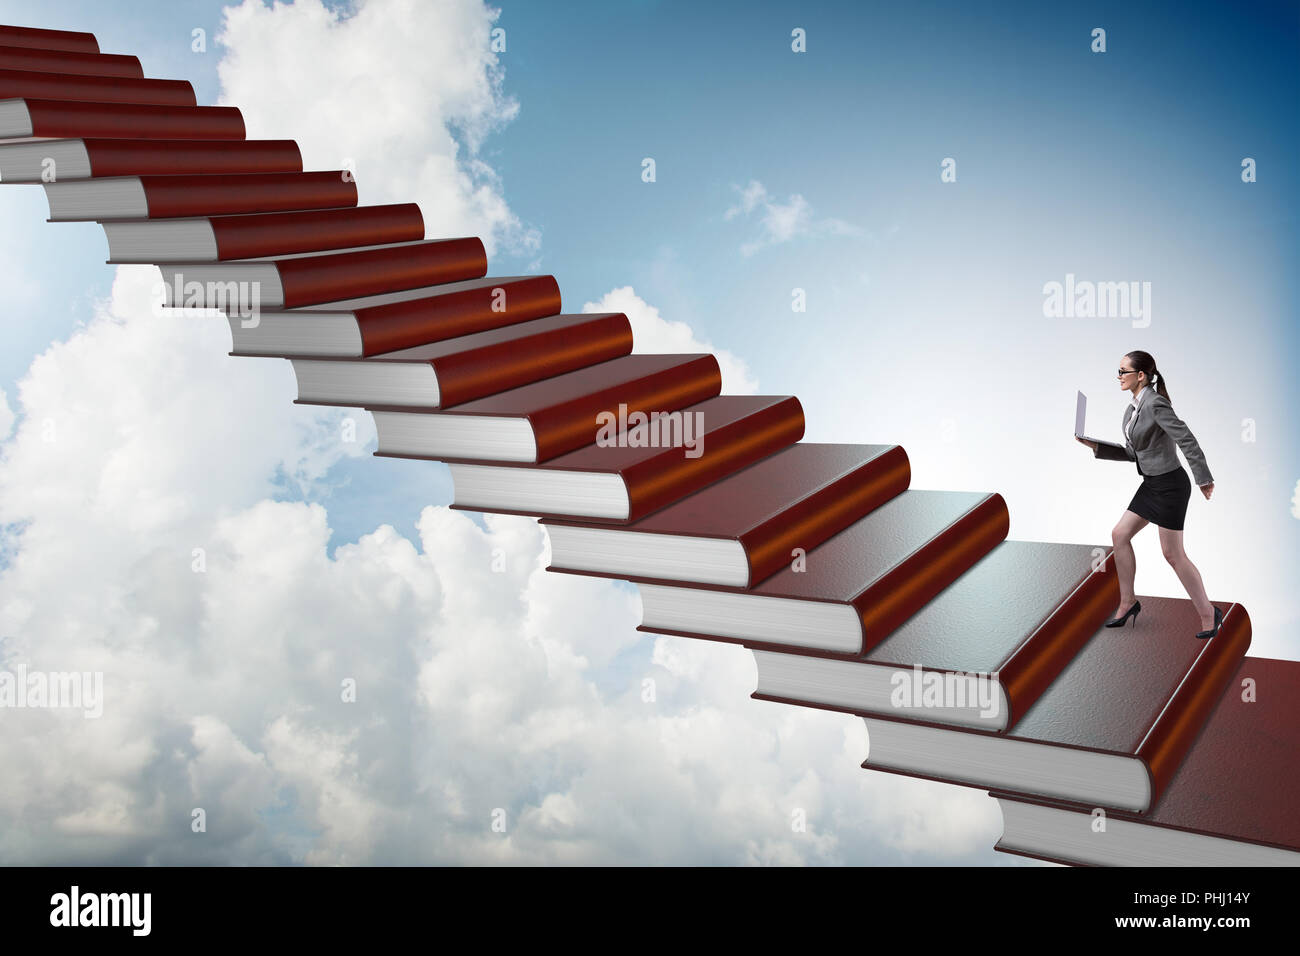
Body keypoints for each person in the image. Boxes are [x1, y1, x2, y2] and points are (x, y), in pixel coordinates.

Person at [1075, 351, 1223, 639]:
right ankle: (1128, 602)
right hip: (1151, 484)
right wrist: (1095, 446)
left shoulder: (1155, 403)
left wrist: (1203, 477)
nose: (1118, 377)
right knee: (1120, 535)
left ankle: (1209, 614)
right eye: (1117, 371)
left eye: (1123, 371)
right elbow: (1134, 453)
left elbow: (1186, 438)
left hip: (1170, 485)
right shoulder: (1132, 409)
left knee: (1173, 554)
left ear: (1140, 375)